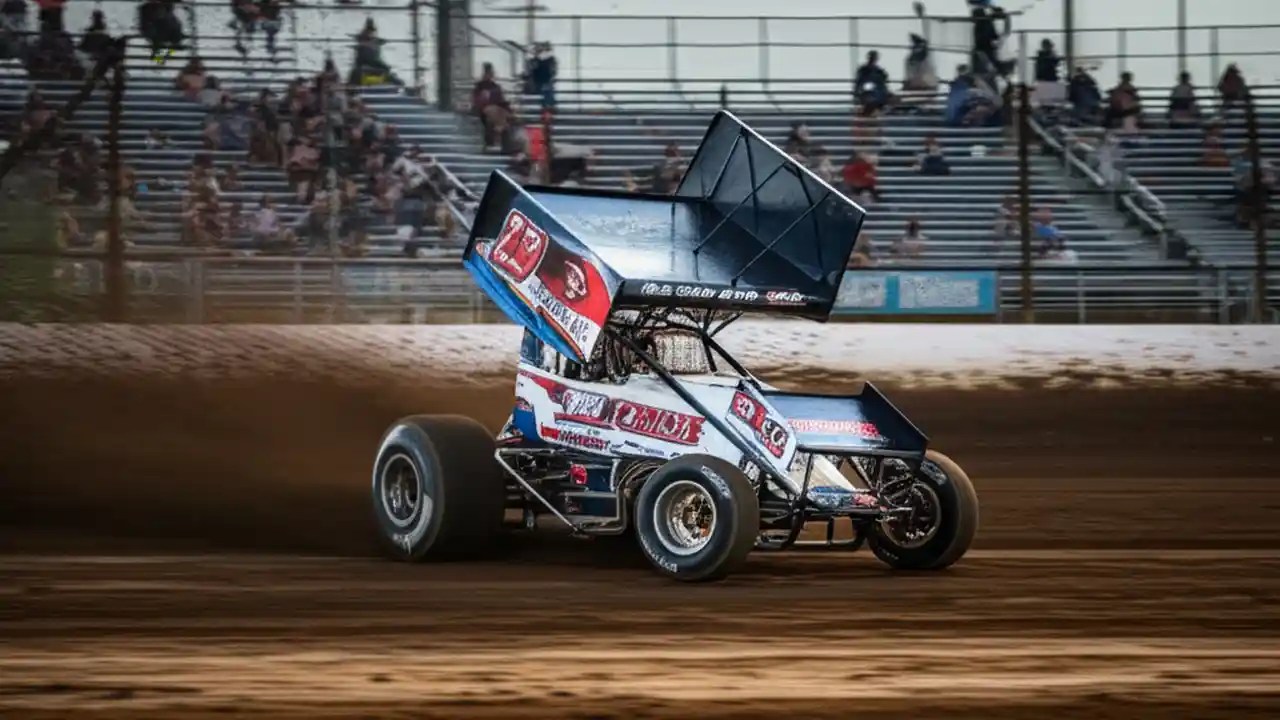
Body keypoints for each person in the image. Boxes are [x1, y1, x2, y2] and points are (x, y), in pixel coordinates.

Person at [472, 63, 510, 152]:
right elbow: (476, 100)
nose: (489, 75)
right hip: (484, 111)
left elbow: (501, 100)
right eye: (487, 73)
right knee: (490, 118)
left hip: (497, 110)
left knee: (501, 116)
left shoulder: (496, 87)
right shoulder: (480, 86)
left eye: (490, 73)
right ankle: (492, 139)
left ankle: (500, 136)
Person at [1034, 38, 1065, 105]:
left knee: (1048, 100)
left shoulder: (1044, 55)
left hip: (1048, 79)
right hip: (1047, 79)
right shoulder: (1044, 56)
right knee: (1048, 99)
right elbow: (1053, 63)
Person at [528, 41, 557, 110]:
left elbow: (533, 69)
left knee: (546, 94)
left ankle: (548, 107)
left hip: (543, 80)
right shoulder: (547, 59)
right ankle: (549, 107)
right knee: (547, 94)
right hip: (543, 81)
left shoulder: (543, 59)